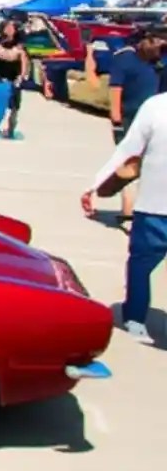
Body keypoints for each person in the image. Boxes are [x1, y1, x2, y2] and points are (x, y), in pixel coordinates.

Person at [83, 87, 167, 345]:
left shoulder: (155, 106)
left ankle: (135, 317)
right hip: (155, 205)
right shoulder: (155, 107)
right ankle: (134, 316)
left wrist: (96, 183)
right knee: (141, 263)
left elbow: (127, 150)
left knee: (140, 264)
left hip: (155, 206)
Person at [107, 30, 166, 219]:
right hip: (130, 118)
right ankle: (128, 210)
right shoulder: (124, 59)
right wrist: (116, 119)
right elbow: (115, 88)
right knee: (129, 164)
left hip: (156, 119)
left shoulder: (157, 62)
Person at [0, 21, 28, 139]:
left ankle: (10, 131)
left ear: (15, 30)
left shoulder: (20, 46)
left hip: (11, 80)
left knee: (14, 107)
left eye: (10, 27)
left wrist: (21, 77)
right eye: (6, 26)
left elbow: (24, 63)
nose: (7, 29)